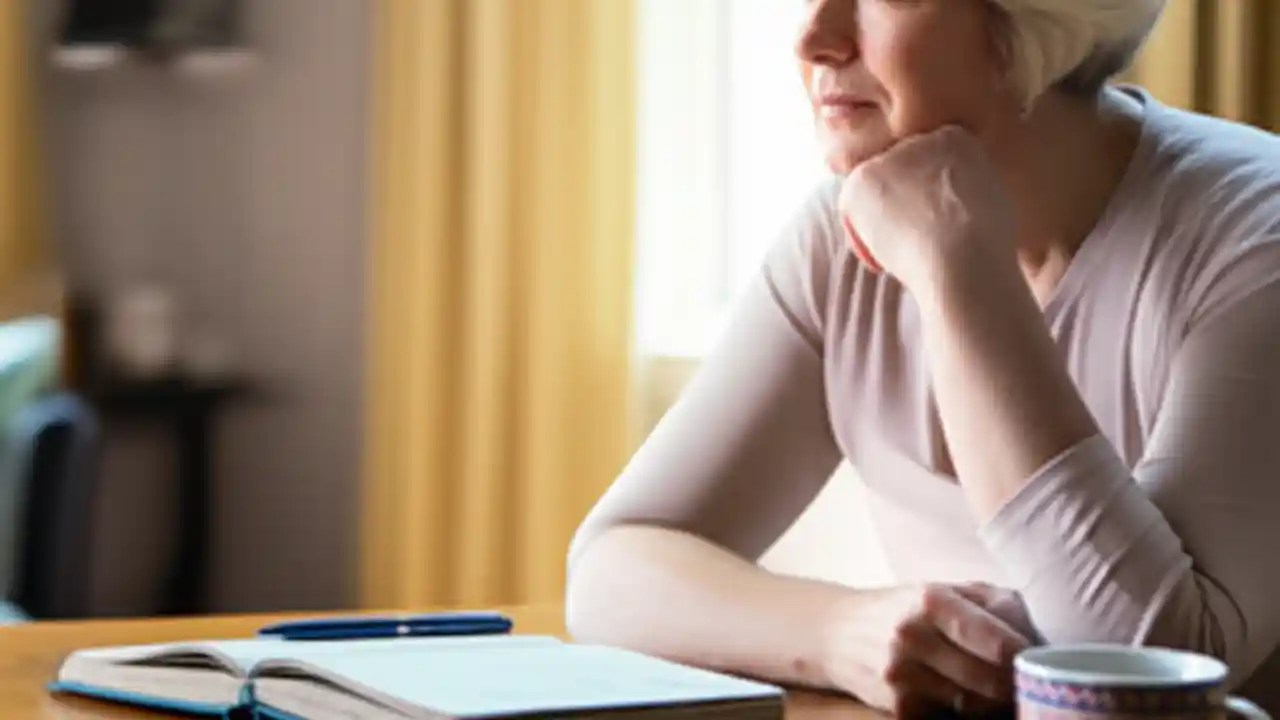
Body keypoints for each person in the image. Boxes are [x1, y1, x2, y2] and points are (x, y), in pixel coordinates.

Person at [564, 0, 1280, 717]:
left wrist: (956, 268)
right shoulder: (843, 233)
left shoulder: (1254, 235)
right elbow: (612, 569)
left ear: (1036, 20)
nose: (813, 39)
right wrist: (842, 632)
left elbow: (1156, 672)